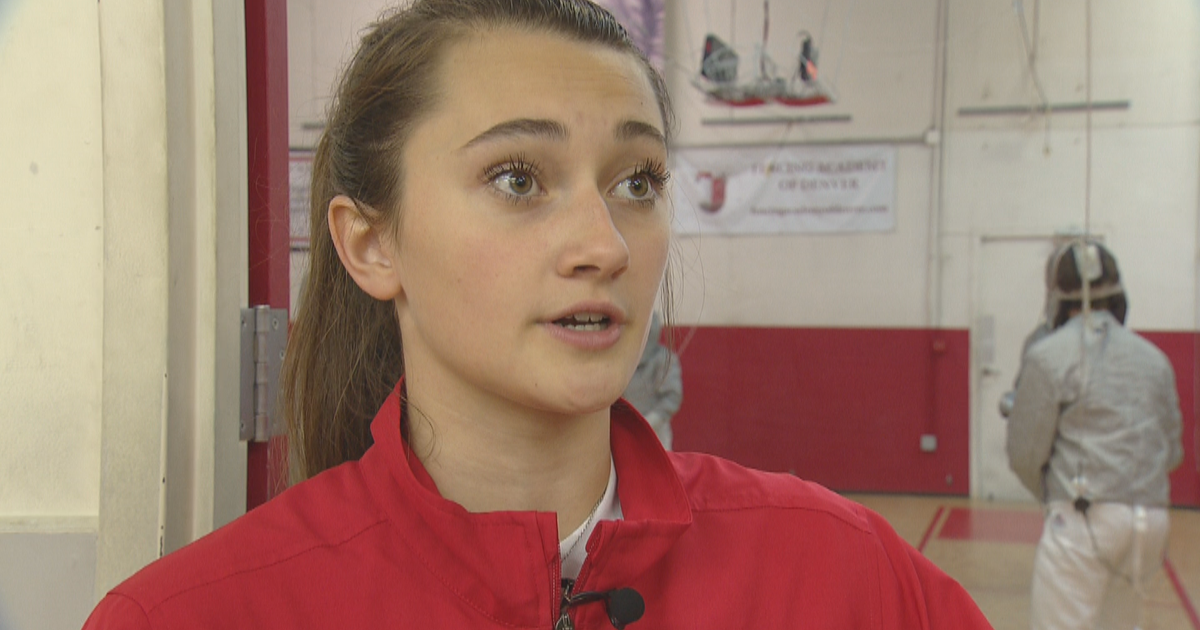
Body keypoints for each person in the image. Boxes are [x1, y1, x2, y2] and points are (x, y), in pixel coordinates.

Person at [83, 1, 992, 628]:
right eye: (518, 178)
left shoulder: (843, 574)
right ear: (370, 244)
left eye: (637, 181)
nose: (605, 244)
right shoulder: (189, 616)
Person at [1007, 241, 1183, 630]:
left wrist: (1056, 498)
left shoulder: (1048, 355)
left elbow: (1024, 454)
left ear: (1058, 297)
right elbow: (1172, 453)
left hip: (1083, 520)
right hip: (1150, 527)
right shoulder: (1155, 359)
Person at [622, 311, 682, 449]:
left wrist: (650, 421)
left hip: (656, 432)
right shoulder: (622, 360)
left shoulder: (664, 359)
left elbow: (672, 397)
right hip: (624, 431)